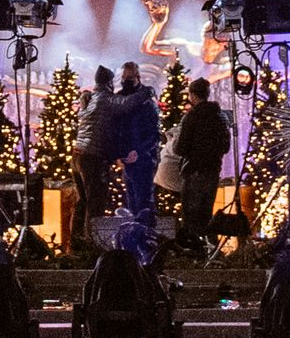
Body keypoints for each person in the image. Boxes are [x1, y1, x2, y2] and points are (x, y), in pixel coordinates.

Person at [172, 77, 231, 248]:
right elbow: (226, 146)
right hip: (212, 171)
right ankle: (208, 248)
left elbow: (180, 148)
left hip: (194, 171)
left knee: (191, 215)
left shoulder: (192, 117)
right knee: (206, 212)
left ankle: (193, 251)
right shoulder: (219, 117)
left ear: (193, 95)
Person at [113, 63, 162, 219]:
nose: (126, 81)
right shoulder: (121, 99)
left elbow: (154, 134)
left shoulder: (147, 103)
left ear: (138, 77)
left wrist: (138, 151)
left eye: (129, 77)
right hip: (127, 159)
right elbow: (118, 129)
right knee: (132, 202)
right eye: (124, 77)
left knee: (143, 203)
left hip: (143, 159)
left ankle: (145, 236)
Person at [73, 68, 116, 239]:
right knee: (95, 203)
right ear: (110, 82)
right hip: (93, 156)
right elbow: (124, 107)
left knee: (82, 201)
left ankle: (76, 243)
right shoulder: (105, 99)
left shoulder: (89, 100)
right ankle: (92, 244)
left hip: (78, 155)